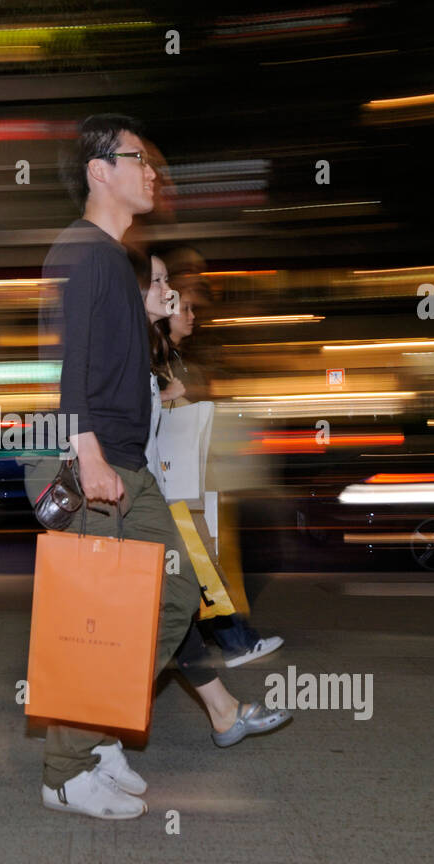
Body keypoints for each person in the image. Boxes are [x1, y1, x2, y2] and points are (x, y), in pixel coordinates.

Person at [23, 115, 290, 821]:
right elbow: (73, 364)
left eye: (151, 163)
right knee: (94, 620)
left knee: (169, 602)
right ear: (98, 171)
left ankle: (98, 729)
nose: (151, 173)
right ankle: (64, 772)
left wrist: (145, 317)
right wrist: (87, 455)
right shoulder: (83, 249)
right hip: (94, 462)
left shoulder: (113, 259)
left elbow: (113, 358)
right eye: (137, 160)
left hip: (126, 464)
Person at [139, 249, 285, 669]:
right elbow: (150, 417)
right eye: (184, 308)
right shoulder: (159, 360)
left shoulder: (175, 358)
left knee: (196, 566)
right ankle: (234, 641)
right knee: (197, 564)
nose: (192, 315)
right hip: (170, 482)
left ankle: (225, 642)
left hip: (183, 479)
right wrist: (168, 398)